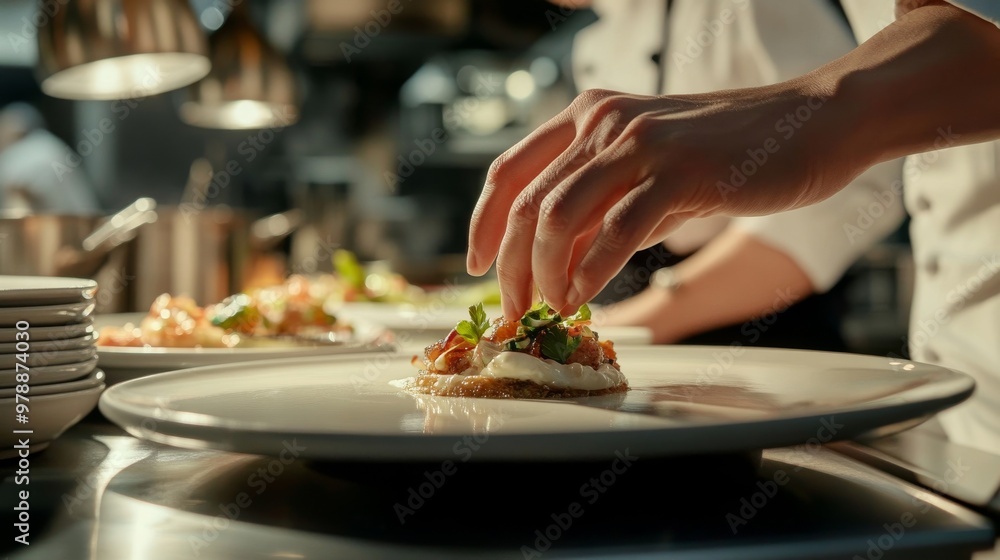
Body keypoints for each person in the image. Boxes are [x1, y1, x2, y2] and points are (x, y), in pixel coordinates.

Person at [467, 0, 1000, 454]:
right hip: (961, 374)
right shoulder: (600, 33)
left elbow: (977, 37)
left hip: (783, 346)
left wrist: (812, 110)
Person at [564, 0, 907, 348]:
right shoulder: (597, 39)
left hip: (770, 331)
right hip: (649, 313)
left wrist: (645, 318)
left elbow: (856, 181)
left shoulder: (751, 6)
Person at [0, 102, 100, 214]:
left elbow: (18, 199)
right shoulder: (50, 144)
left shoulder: (19, 153)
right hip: (86, 222)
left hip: (58, 226)